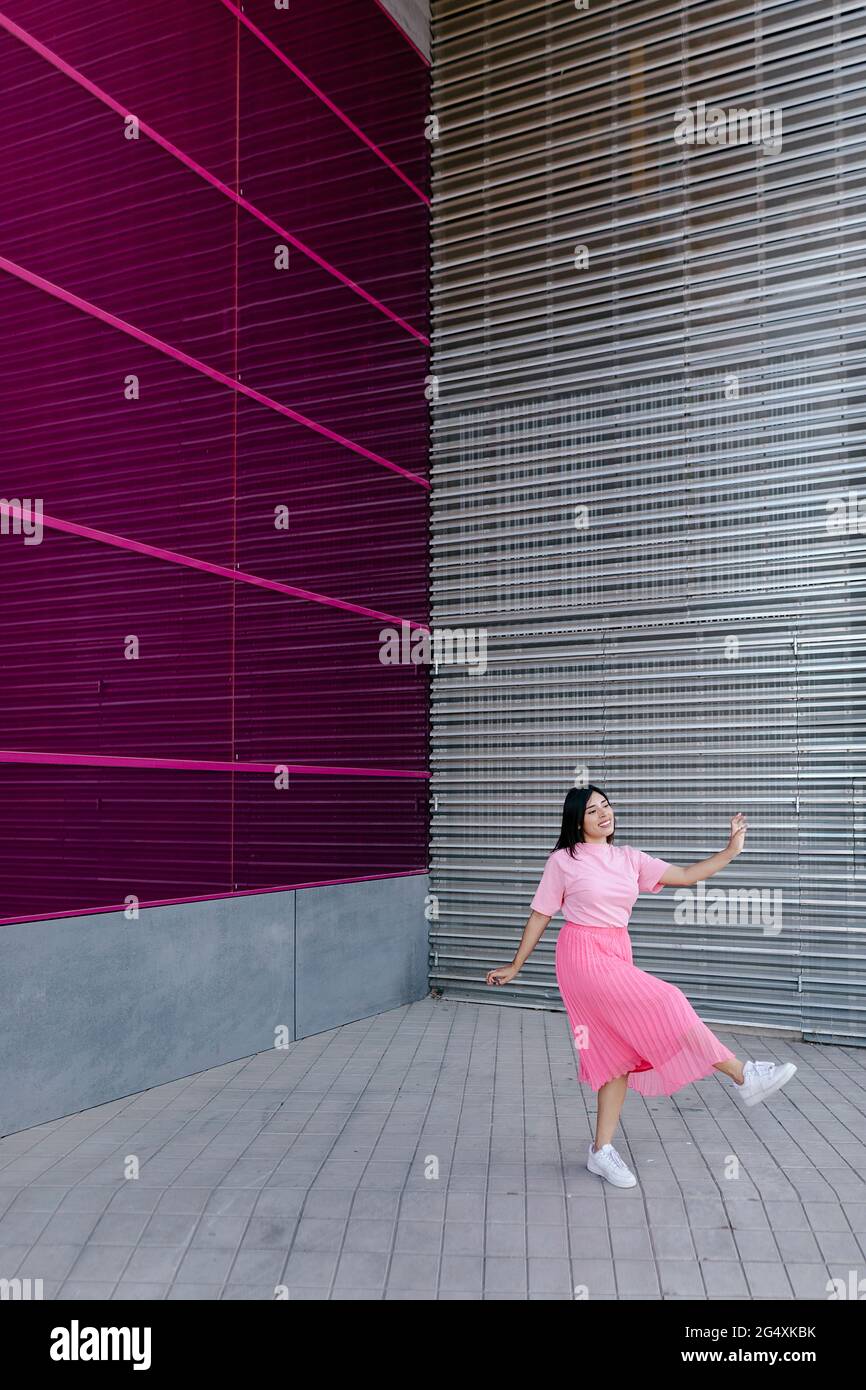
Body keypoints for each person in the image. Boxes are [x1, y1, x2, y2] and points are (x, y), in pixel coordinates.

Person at [485, 786, 797, 1189]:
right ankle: (742, 1074)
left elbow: (685, 876)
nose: (603, 815)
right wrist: (516, 965)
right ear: (577, 821)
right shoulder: (563, 861)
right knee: (669, 999)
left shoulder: (629, 858)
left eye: (606, 806)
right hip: (581, 955)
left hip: (617, 949)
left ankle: (601, 1152)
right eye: (592, 810)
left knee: (617, 1056)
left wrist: (730, 851)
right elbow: (541, 914)